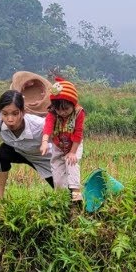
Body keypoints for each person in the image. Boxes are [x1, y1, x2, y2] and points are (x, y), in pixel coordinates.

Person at [39, 77, 85, 211]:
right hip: (58, 146)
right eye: (59, 110)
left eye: (66, 109)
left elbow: (78, 133)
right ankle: (62, 202)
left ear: (73, 104)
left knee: (72, 165)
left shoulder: (79, 113)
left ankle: (76, 199)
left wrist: (73, 152)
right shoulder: (53, 112)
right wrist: (44, 142)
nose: (62, 113)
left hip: (74, 144)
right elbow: (48, 126)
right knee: (57, 175)